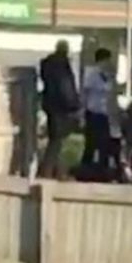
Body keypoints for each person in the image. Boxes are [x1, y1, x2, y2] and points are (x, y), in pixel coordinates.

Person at [38, 40, 80, 179]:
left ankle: (57, 170)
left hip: (50, 104)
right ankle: (49, 171)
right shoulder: (61, 65)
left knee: (55, 139)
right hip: (62, 107)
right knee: (57, 140)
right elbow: (65, 86)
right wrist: (74, 104)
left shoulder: (47, 64)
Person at [80, 48, 120, 179]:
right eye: (107, 60)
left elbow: (112, 94)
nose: (109, 63)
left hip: (104, 114)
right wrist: (82, 111)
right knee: (91, 143)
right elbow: (85, 93)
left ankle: (102, 169)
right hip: (93, 112)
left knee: (104, 143)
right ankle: (86, 169)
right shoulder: (92, 73)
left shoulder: (109, 75)